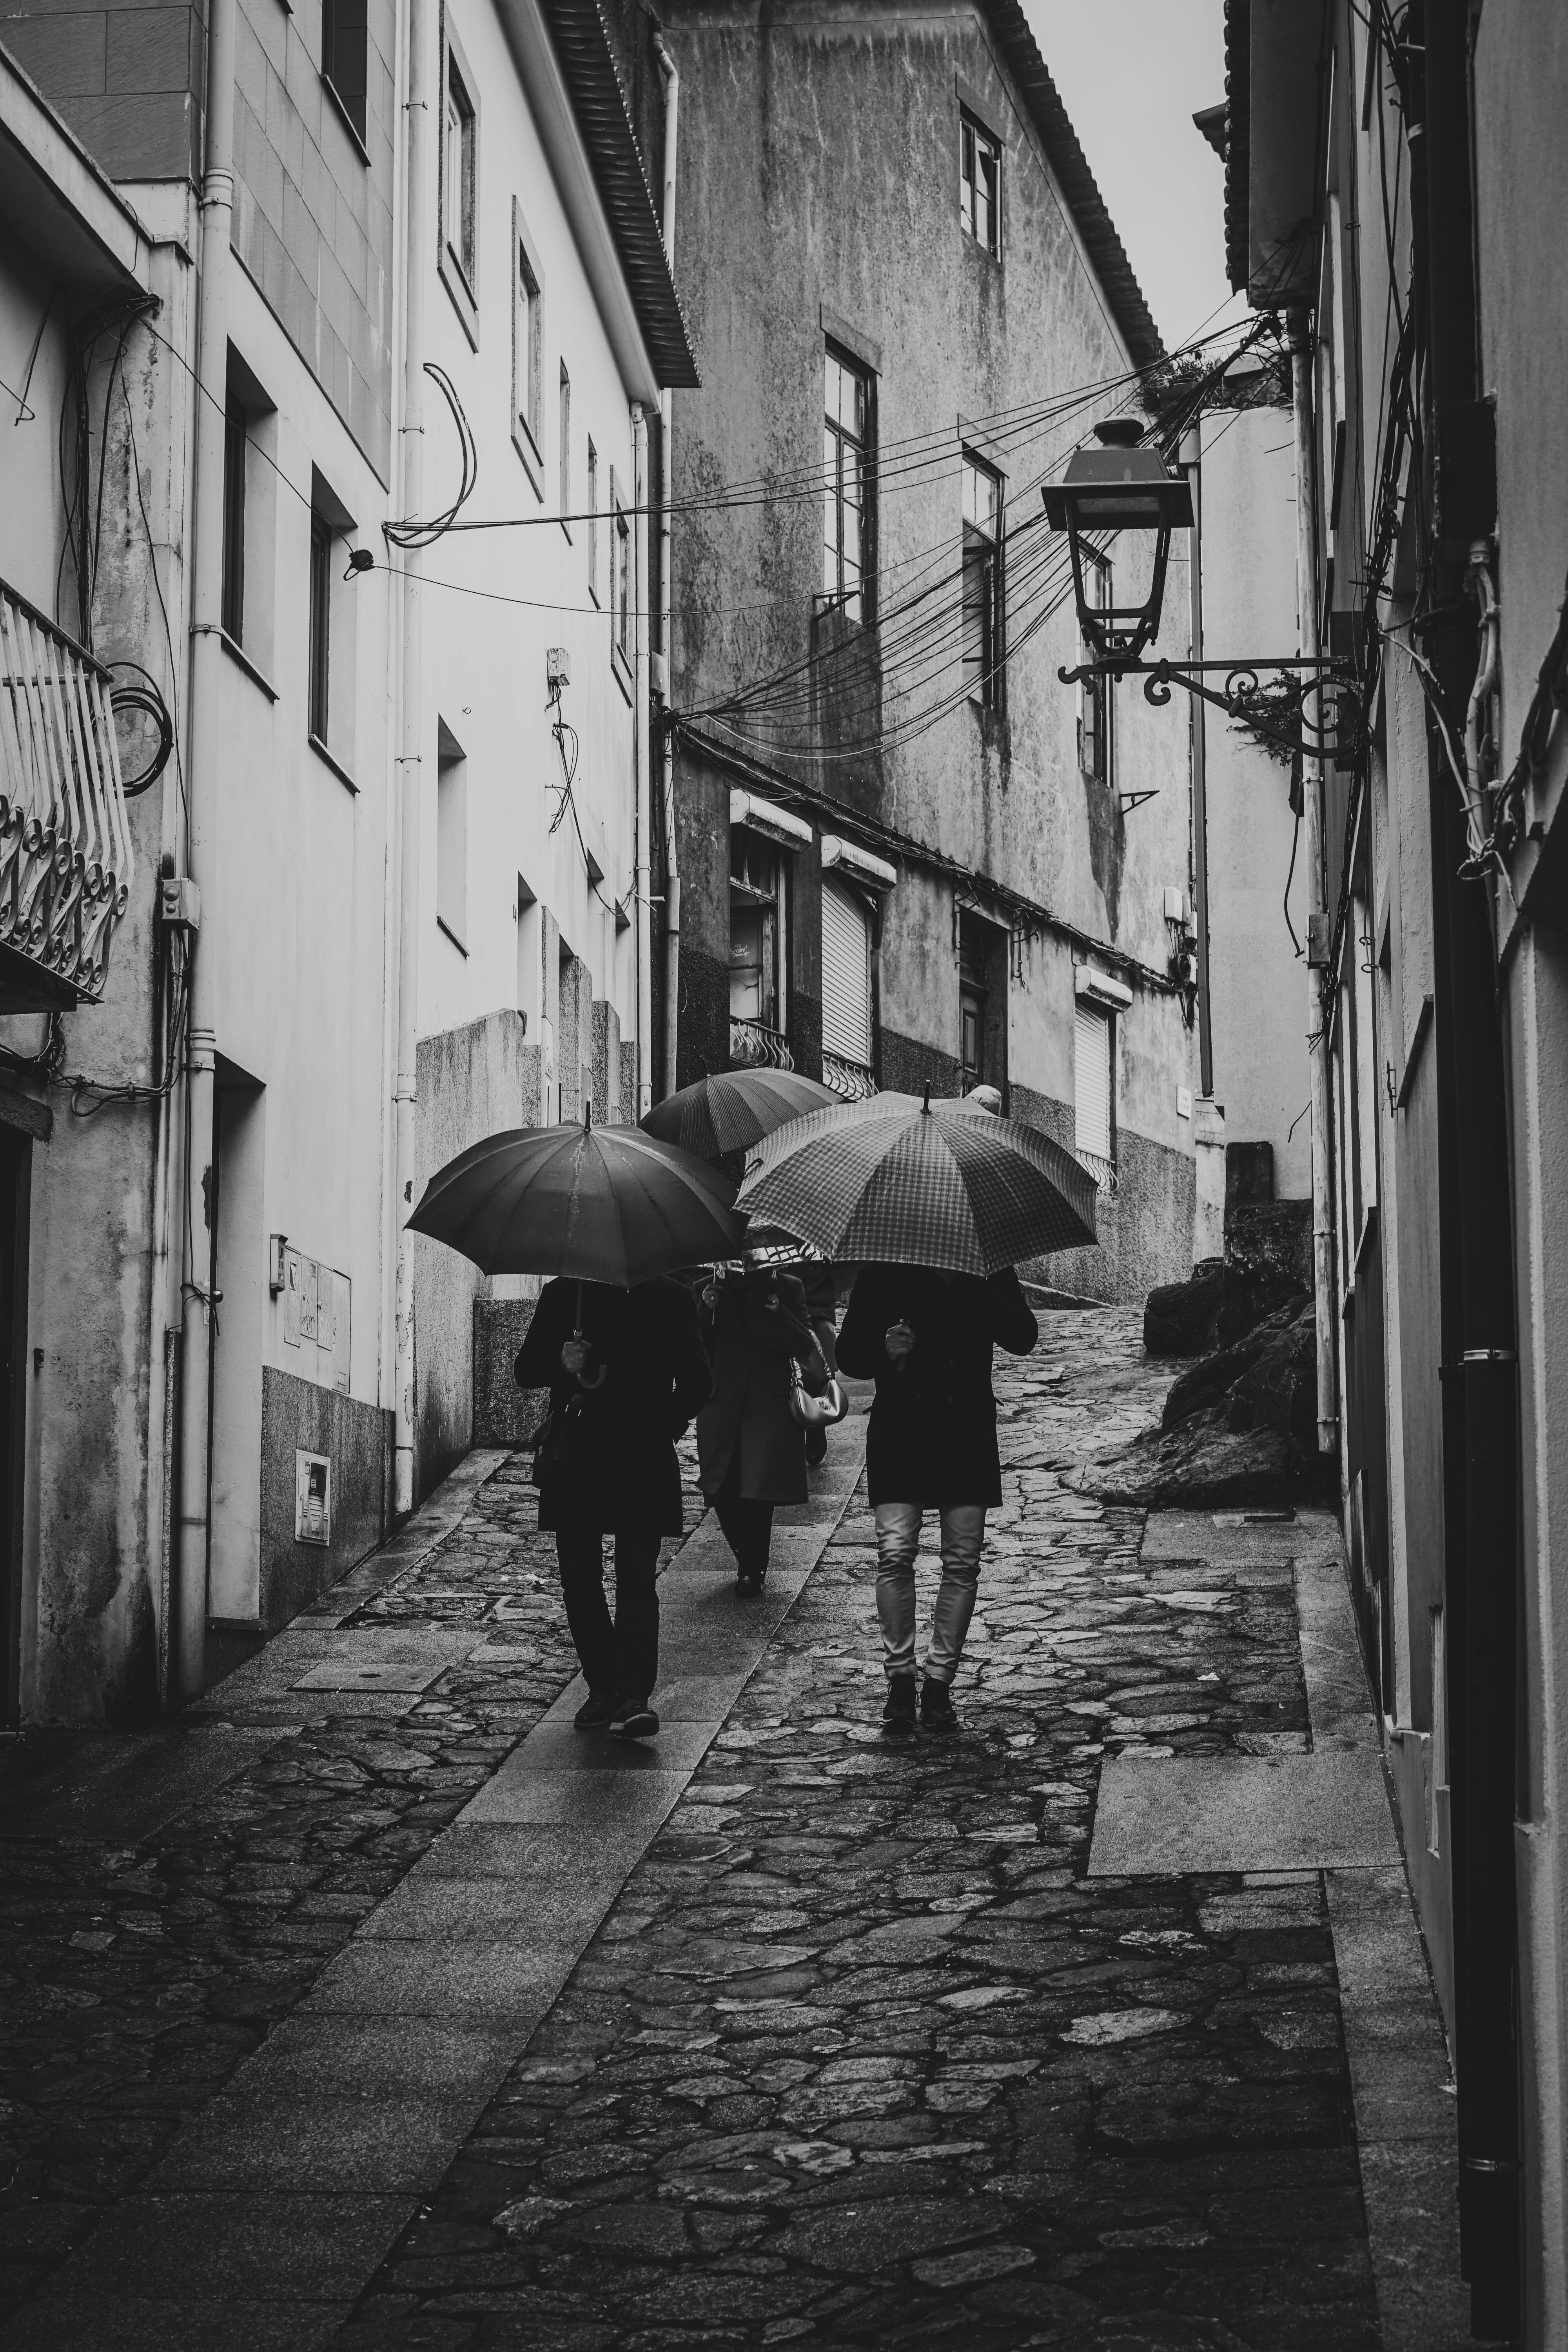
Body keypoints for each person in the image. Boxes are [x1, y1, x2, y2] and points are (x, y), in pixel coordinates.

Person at [836, 1261, 1037, 1735]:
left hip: (964, 1430)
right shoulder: (885, 1271)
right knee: (895, 1553)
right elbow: (849, 1354)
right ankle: (900, 1680)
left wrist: (977, 1289)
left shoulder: (989, 1270)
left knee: (962, 1560)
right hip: (901, 1430)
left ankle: (940, 1682)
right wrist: (884, 1348)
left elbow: (1023, 1337)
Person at [514, 1276, 710, 1739]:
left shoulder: (669, 1296)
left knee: (636, 1578)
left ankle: (634, 1697)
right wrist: (563, 1363)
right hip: (577, 1454)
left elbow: (699, 1379)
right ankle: (601, 1686)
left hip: (641, 1456)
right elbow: (526, 1370)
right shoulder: (567, 1294)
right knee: (580, 1580)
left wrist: (663, 1423)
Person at [696, 1260, 827, 1592]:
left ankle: (752, 1569)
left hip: (768, 1404)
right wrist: (704, 1309)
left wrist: (779, 1311)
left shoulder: (787, 1287)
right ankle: (745, 1552)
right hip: (721, 1403)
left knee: (759, 1488)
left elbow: (804, 1344)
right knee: (721, 1487)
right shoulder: (706, 1287)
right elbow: (692, 1346)